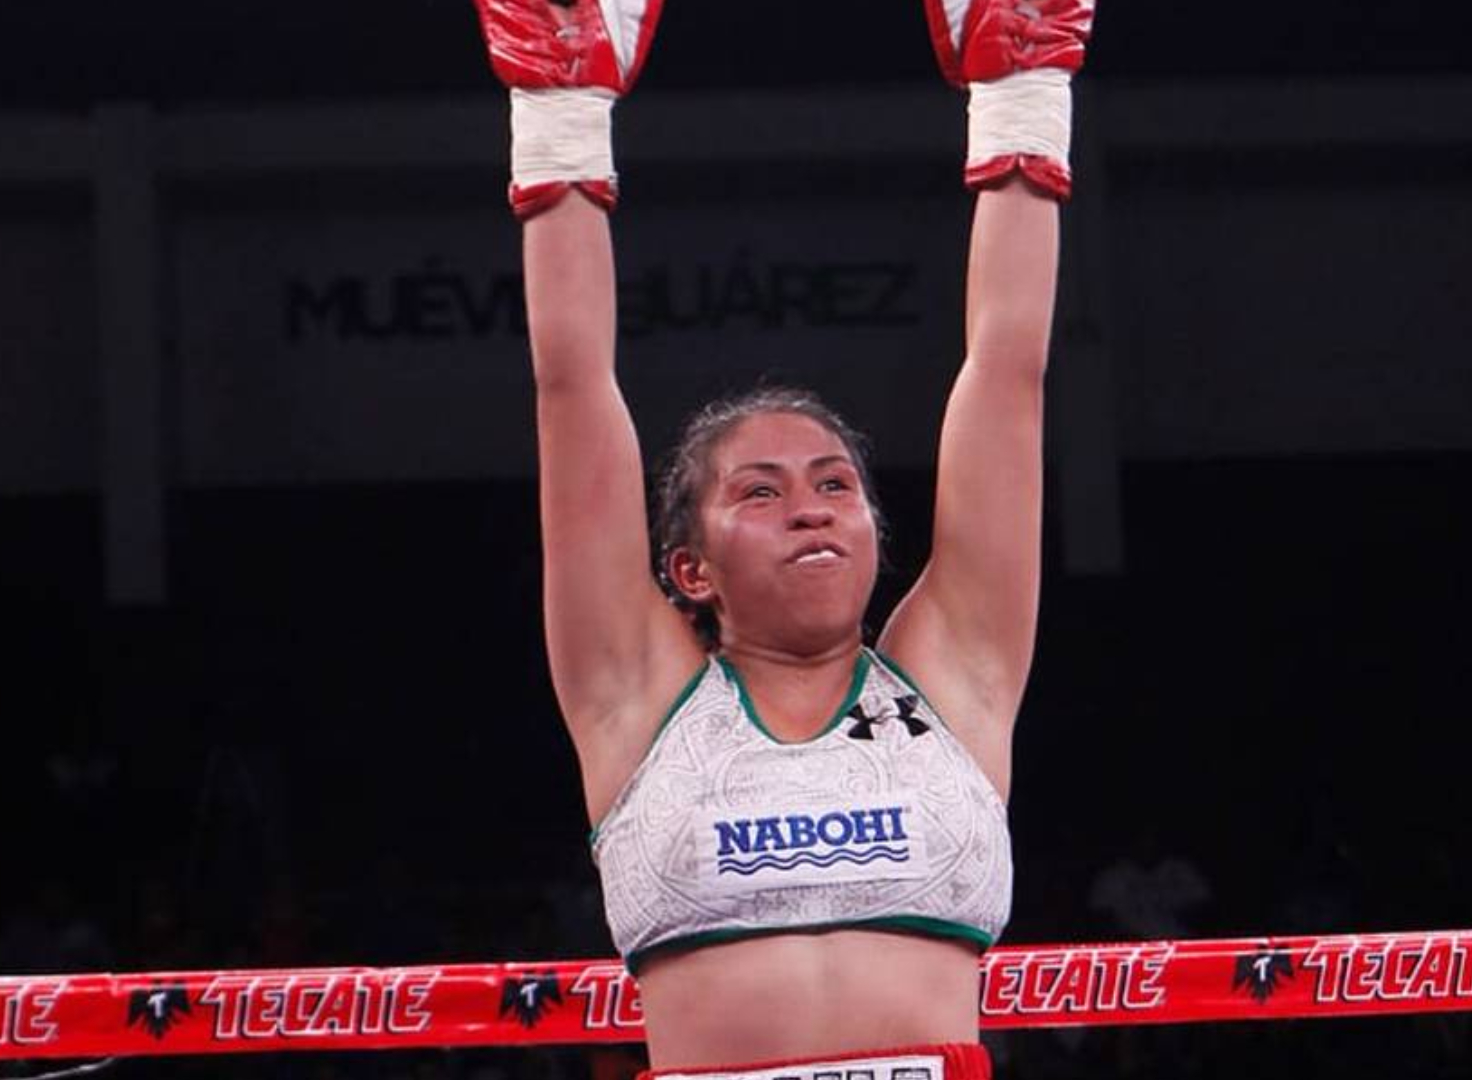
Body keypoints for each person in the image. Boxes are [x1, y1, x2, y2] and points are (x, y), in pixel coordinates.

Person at [468, 1, 1094, 1075]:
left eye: (835, 483)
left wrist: (1021, 85)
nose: (809, 506)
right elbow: (571, 392)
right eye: (759, 493)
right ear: (688, 568)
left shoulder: (960, 677)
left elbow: (1007, 375)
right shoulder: (634, 697)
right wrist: (560, 107)